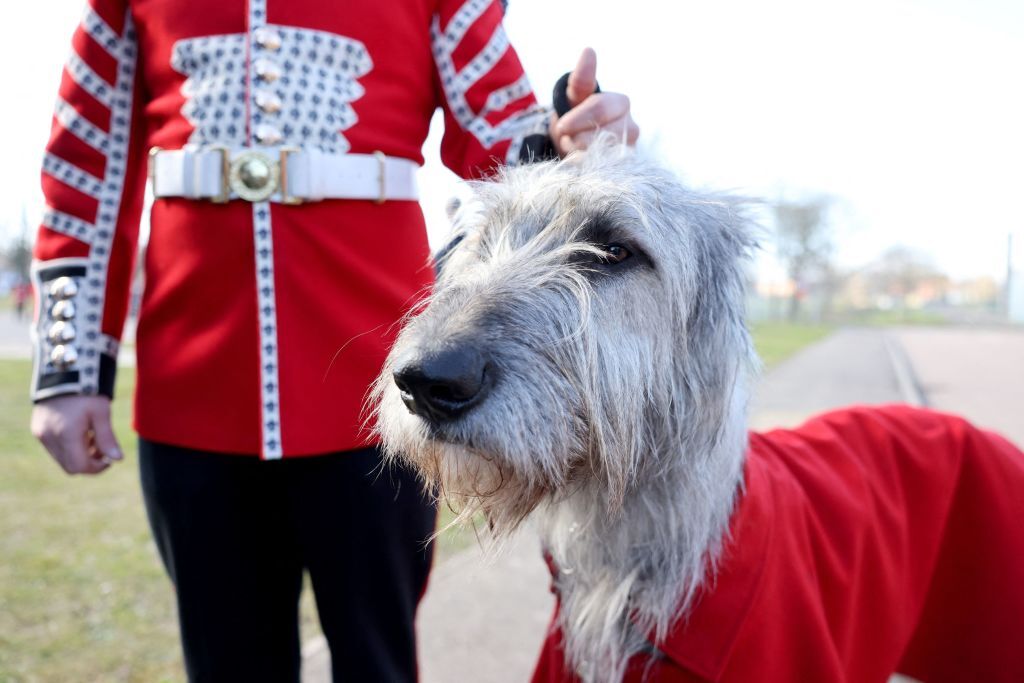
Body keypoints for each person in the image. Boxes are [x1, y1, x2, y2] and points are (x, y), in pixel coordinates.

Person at [28, 1, 638, 681]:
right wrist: (72, 369)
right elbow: (87, 170)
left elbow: (515, 150)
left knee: (377, 660)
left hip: (379, 395)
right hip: (195, 389)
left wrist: (572, 141)